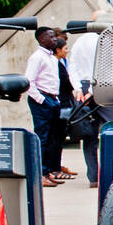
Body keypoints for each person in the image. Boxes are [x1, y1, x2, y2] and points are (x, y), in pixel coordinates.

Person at [67, 10, 113, 187]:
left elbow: (72, 66)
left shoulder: (79, 41)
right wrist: (91, 89)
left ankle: (93, 177)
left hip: (82, 88)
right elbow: (102, 65)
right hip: (101, 86)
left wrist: (77, 88)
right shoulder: (104, 40)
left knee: (88, 135)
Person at [24, 26, 63, 188]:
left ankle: (47, 172)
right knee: (43, 137)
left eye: (55, 37)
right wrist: (41, 99)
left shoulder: (52, 58)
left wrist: (56, 99)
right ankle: (39, 174)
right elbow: (28, 82)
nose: (55, 39)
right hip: (42, 99)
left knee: (53, 138)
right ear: (41, 39)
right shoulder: (37, 57)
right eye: (51, 37)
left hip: (53, 99)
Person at [48, 36, 75, 181]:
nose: (67, 51)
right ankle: (54, 169)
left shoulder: (60, 63)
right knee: (56, 137)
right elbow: (66, 83)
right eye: (65, 48)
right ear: (58, 50)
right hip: (62, 104)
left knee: (58, 137)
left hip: (63, 102)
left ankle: (55, 167)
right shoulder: (56, 65)